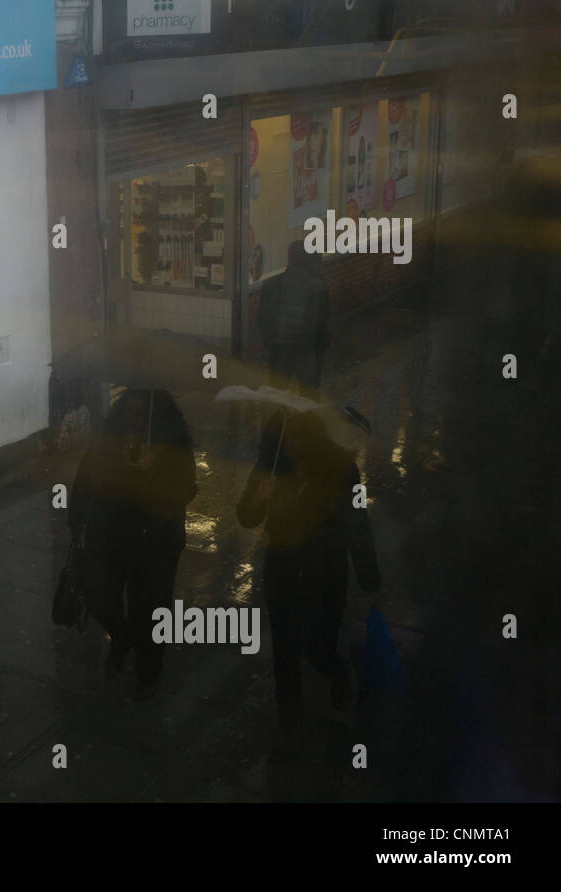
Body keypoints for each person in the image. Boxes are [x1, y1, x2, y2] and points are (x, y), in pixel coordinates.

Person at [237, 410, 381, 761]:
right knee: (285, 652)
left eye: (298, 437)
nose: (290, 445)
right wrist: (259, 498)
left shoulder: (342, 469)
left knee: (318, 644)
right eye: (285, 437)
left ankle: (336, 671)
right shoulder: (269, 465)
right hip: (282, 568)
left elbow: (357, 523)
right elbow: (245, 516)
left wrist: (369, 576)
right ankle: (291, 728)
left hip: (326, 570)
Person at [69, 389, 197, 701]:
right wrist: (77, 523)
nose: (134, 421)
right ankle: (123, 638)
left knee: (151, 610)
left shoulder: (173, 447)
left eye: (142, 415)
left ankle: (148, 672)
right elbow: (85, 478)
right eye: (130, 413)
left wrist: (154, 472)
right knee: (100, 597)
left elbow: (185, 491)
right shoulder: (109, 441)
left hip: (156, 544)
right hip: (110, 538)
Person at [257, 240, 330, 394]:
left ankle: (276, 417)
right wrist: (320, 351)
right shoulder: (318, 286)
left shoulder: (273, 281)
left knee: (276, 394)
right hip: (306, 351)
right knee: (308, 395)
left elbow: (263, 316)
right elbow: (321, 325)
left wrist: (267, 344)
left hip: (279, 349)